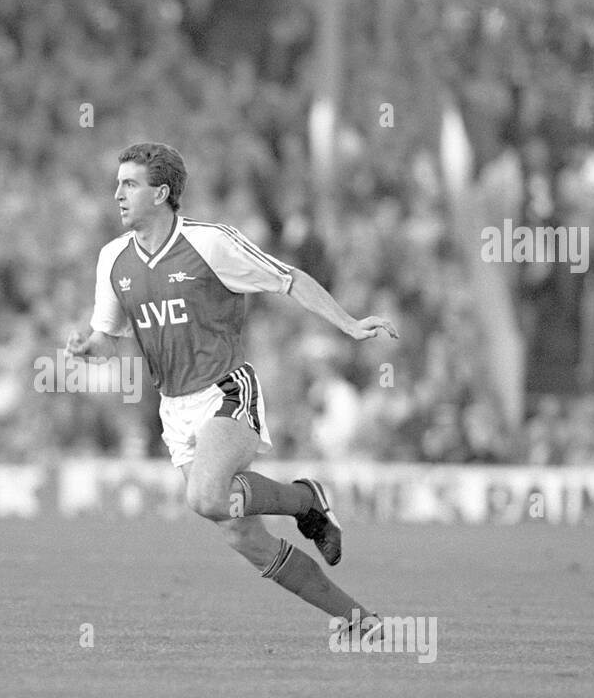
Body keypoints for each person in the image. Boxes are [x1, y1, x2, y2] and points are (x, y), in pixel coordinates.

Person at [66, 142, 398, 638]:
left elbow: (289, 279)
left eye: (129, 184)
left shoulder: (210, 243)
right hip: (174, 409)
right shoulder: (112, 259)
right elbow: (108, 338)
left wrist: (348, 325)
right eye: (118, 184)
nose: (116, 194)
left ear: (161, 194)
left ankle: (305, 501)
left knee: (205, 497)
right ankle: (359, 620)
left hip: (227, 390)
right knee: (242, 534)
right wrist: (88, 348)